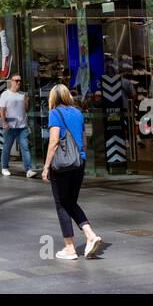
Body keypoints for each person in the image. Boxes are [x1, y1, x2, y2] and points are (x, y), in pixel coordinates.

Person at [41, 84, 102, 260]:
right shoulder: (78, 112)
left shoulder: (55, 113)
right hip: (79, 163)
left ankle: (70, 248)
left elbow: (54, 142)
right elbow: (83, 139)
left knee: (61, 204)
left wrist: (46, 167)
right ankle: (90, 235)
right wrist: (81, 157)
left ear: (53, 98)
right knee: (71, 202)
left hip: (62, 165)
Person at [0, 73, 35, 178]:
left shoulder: (23, 94)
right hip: (10, 126)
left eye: (19, 80)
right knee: (7, 147)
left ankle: (28, 170)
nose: (18, 82)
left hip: (22, 126)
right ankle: (4, 167)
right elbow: (2, 110)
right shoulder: (5, 94)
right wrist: (4, 122)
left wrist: (27, 102)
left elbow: (26, 110)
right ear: (11, 81)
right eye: (16, 80)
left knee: (25, 147)